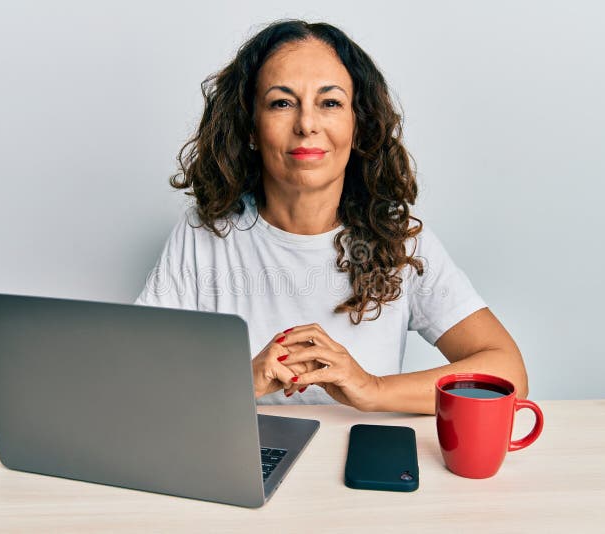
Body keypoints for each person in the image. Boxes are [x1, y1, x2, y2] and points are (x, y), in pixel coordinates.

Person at [134, 19, 528, 414]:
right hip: (244, 466)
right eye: (281, 103)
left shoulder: (401, 241)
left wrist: (370, 388)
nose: (307, 125)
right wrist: (241, 380)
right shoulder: (203, 235)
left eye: (330, 103)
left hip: (360, 464)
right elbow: (134, 377)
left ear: (358, 127)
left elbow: (509, 375)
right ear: (250, 129)